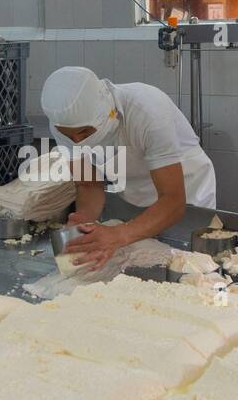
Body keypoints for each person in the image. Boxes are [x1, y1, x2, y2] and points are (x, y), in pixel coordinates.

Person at [41, 66, 216, 271]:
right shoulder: (62, 127)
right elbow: (87, 183)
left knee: (189, 268)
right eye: (70, 136)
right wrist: (84, 220)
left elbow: (173, 201)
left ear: (107, 112)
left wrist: (117, 235)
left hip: (187, 192)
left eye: (85, 132)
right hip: (135, 195)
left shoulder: (147, 111)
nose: (77, 141)